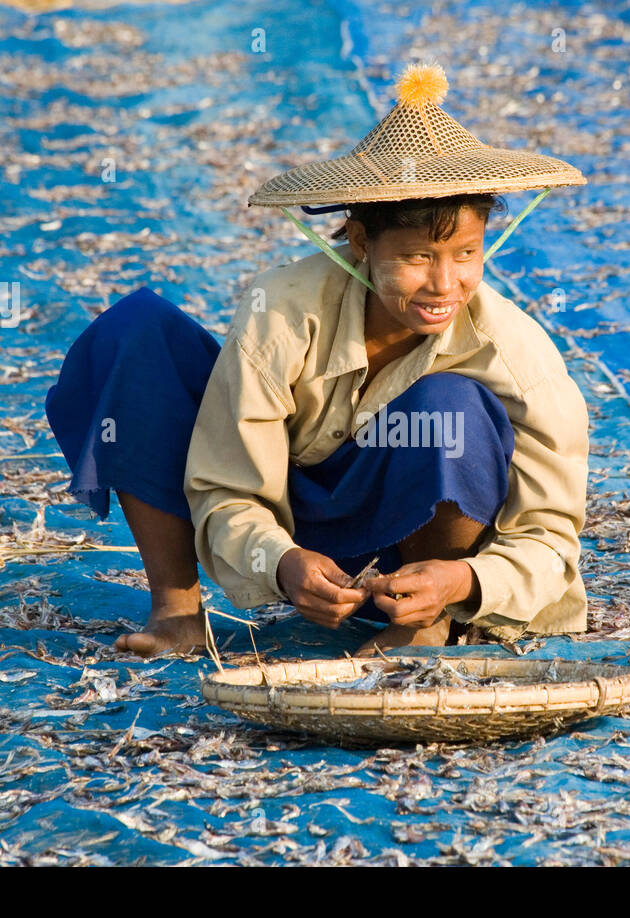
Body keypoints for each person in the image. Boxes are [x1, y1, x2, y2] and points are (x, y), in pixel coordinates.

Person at [44, 61, 590, 658]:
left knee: (450, 404)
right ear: (359, 243)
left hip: (412, 540)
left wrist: (463, 581)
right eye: (415, 257)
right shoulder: (279, 312)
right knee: (135, 332)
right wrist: (281, 563)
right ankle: (176, 612)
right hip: (293, 526)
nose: (445, 283)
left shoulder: (518, 354)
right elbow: (225, 485)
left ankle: (425, 621)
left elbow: (548, 535)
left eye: (466, 253)